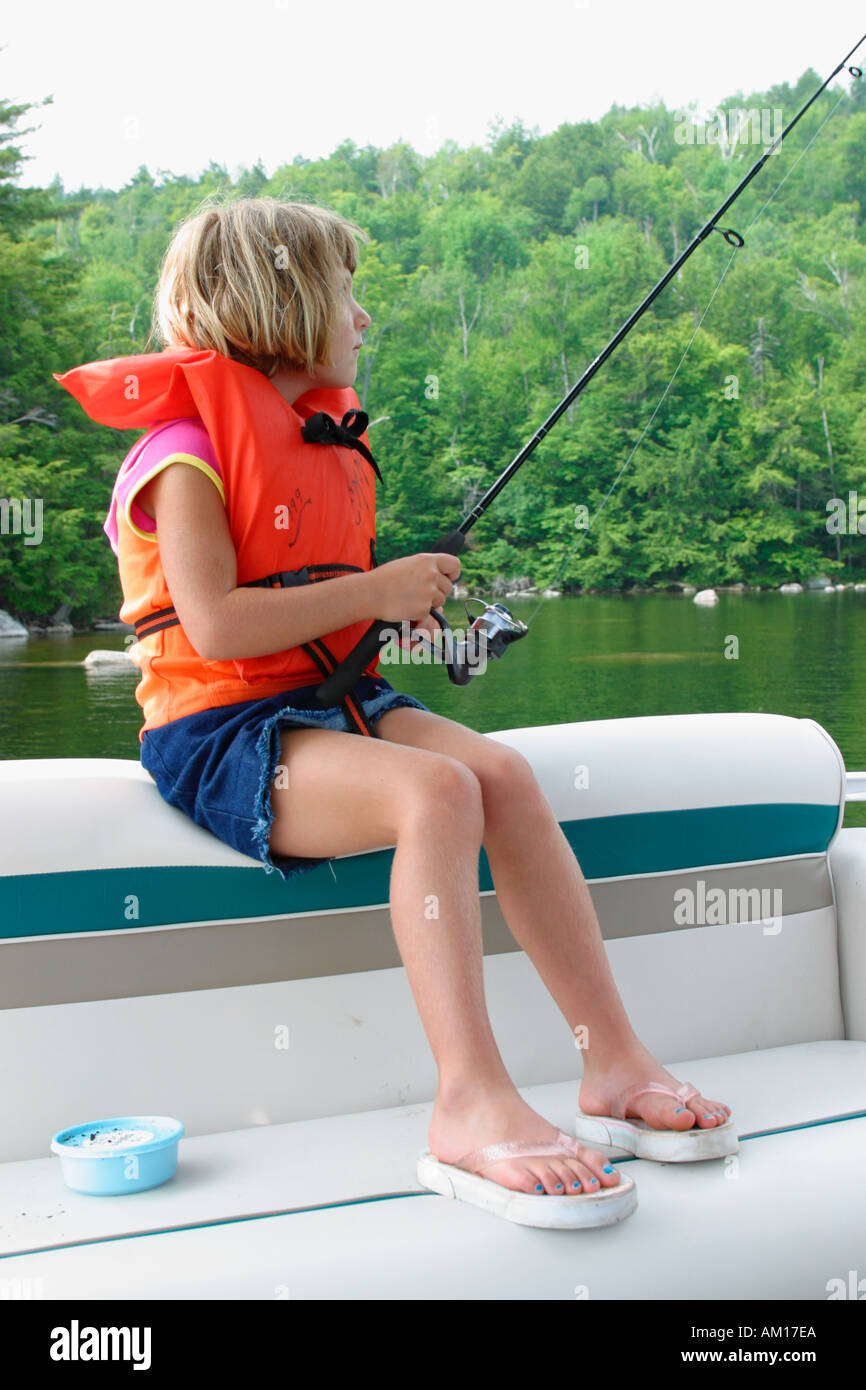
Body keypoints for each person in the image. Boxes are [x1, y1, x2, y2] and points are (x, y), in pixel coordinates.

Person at [56, 196, 734, 1230]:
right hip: (220, 734)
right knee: (435, 793)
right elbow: (222, 625)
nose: (361, 320)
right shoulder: (182, 453)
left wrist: (410, 620)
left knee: (501, 775)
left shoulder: (308, 434)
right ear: (279, 300)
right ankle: (467, 1099)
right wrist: (377, 590)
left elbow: (317, 619)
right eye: (346, 294)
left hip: (330, 700)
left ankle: (612, 1062)